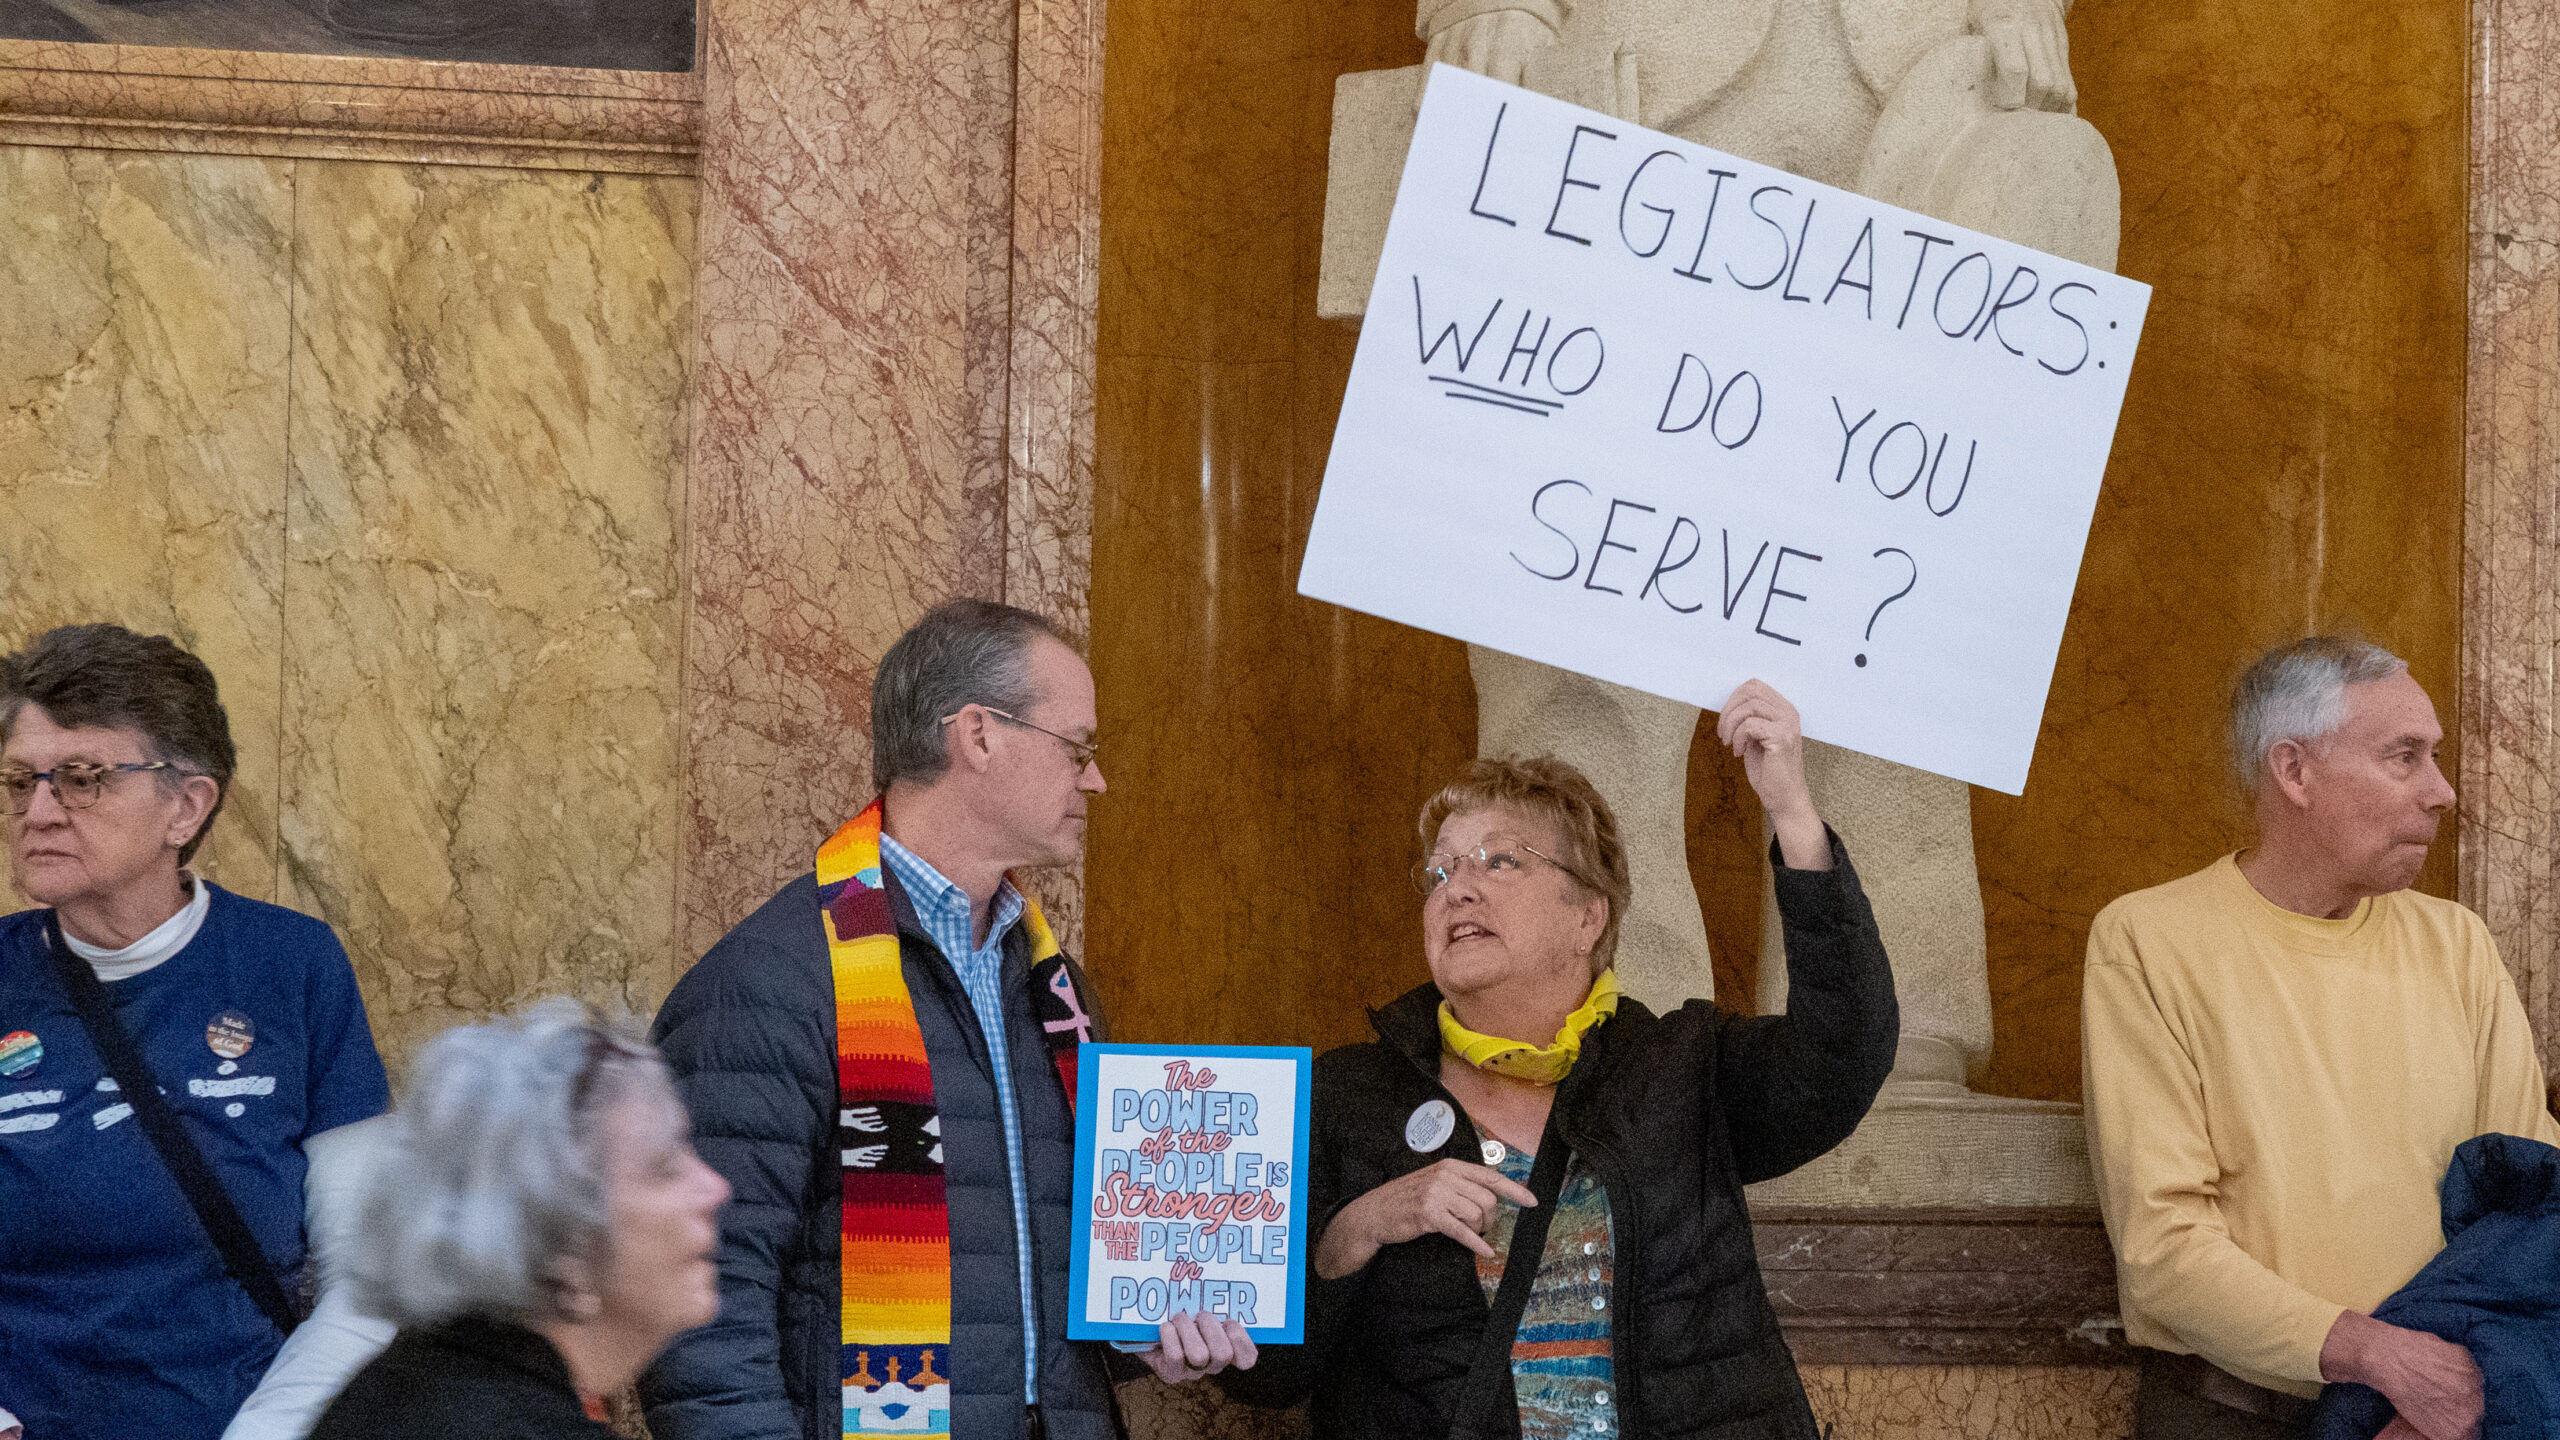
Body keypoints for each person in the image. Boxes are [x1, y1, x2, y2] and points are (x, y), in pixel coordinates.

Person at [1218, 680, 1898, 1438]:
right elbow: (1265, 1378)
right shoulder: (1344, 1095)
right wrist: (1360, 1229)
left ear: (1587, 914)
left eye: (1500, 862)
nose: (1458, 889)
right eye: (1440, 872)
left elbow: (1843, 1057)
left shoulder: (1680, 1067)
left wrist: (1793, 814)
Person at [641, 599, 1251, 1440]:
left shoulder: (1056, 989)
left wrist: (1147, 1331)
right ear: (978, 735)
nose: (1096, 779)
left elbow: (1034, 1280)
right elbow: (702, 1295)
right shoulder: (771, 982)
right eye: (1078, 747)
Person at [2082, 637, 2560, 1440]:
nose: (2441, 792)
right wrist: (2377, 1359)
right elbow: (2163, 1249)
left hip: (2441, 1421)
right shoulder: (2150, 940)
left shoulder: (2459, 944)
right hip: (2230, 1415)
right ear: (2294, 771)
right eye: (2404, 757)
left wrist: (2426, 1399)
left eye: (2434, 756)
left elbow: (2533, 1206)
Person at [0, 624, 392, 1440]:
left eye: (81, 778)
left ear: (186, 804)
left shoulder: (292, 964)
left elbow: (369, 1274)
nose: (38, 812)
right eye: (18, 781)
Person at [308, 999, 731, 1438]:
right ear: (569, 1247)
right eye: (664, 1168)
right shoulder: (511, 1421)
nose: (716, 1188)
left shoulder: (393, 1390)